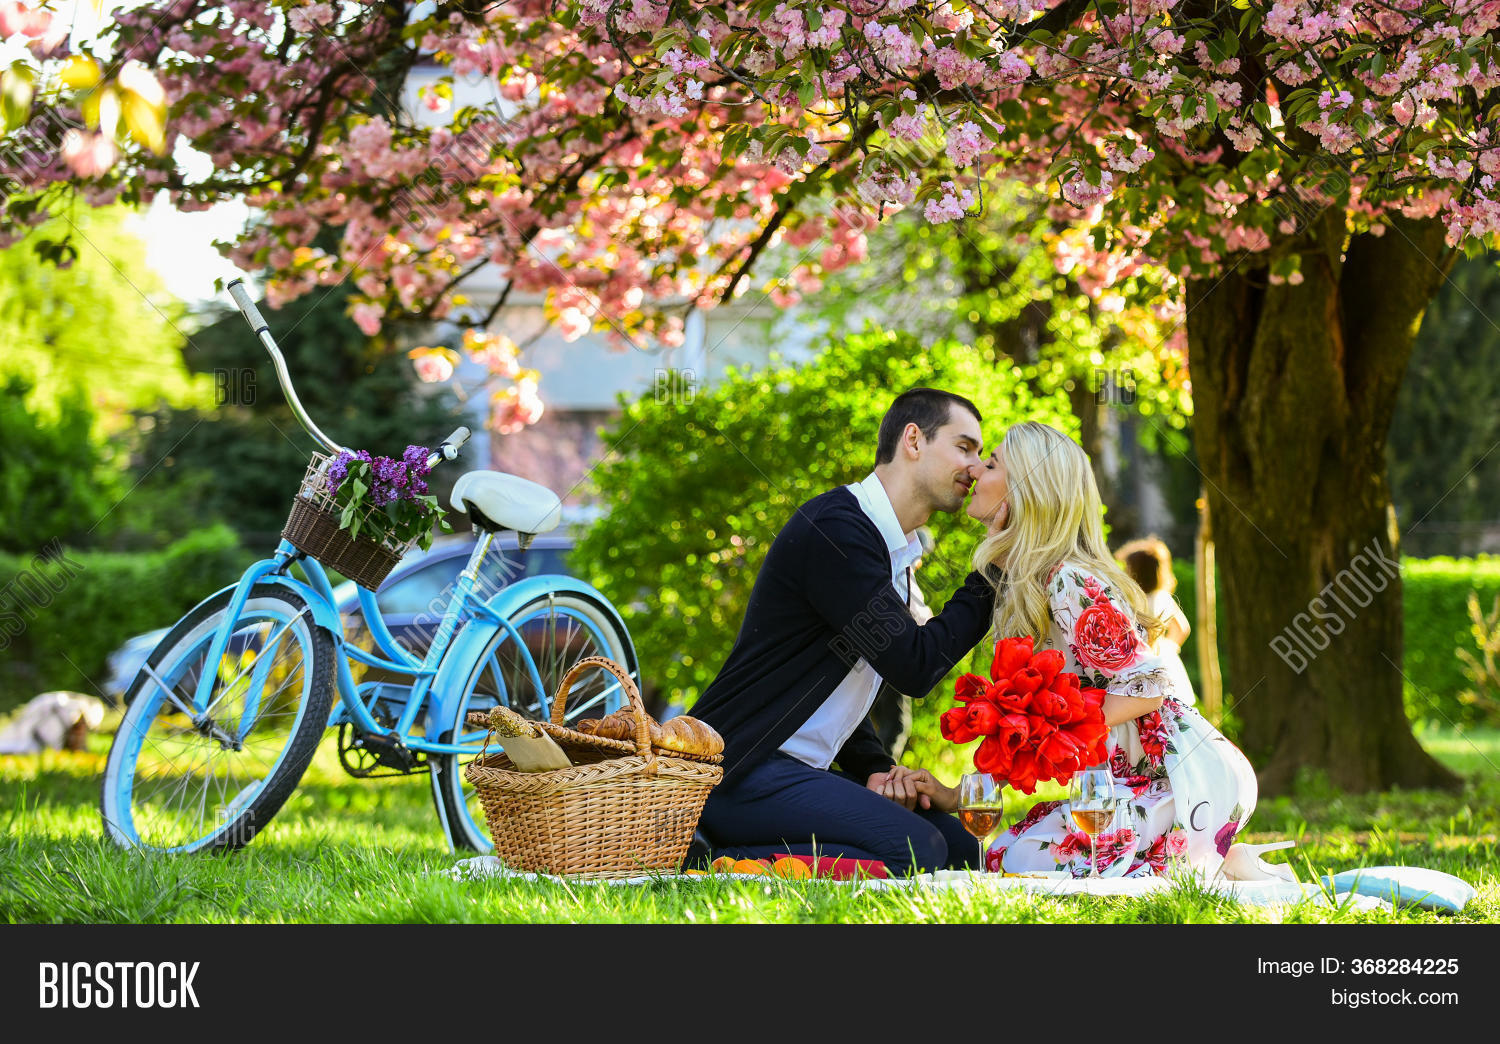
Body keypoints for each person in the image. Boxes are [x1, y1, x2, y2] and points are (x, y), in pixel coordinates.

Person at [901, 421, 1267, 880]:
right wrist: (959, 795)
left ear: (1026, 491)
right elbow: (1026, 722)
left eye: (991, 464)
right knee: (1007, 855)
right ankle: (1199, 859)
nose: (975, 470)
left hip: (1182, 780)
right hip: (1123, 785)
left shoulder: (1069, 581)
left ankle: (1197, 854)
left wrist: (1060, 728)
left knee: (1015, 862)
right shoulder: (1026, 585)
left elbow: (1149, 686)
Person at [692, 389, 996, 875]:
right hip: (743, 769)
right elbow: (914, 667)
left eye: (980, 454)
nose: (975, 467)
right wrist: (992, 576)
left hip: (796, 773)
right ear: (913, 440)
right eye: (964, 447)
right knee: (919, 851)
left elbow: (833, 688)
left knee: (964, 851)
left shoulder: (892, 547)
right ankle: (716, 859)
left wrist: (875, 769)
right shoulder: (837, 529)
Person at [866, 525, 935, 761]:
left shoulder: (882, 567)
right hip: (892, 658)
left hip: (872, 657)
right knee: (896, 724)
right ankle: (881, 771)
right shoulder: (902, 574)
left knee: (869, 721)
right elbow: (918, 617)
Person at [1116, 536, 1196, 707]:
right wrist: (1169, 648)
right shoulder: (1163, 597)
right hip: (1165, 658)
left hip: (1145, 662)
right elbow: (1182, 628)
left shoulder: (1135, 601)